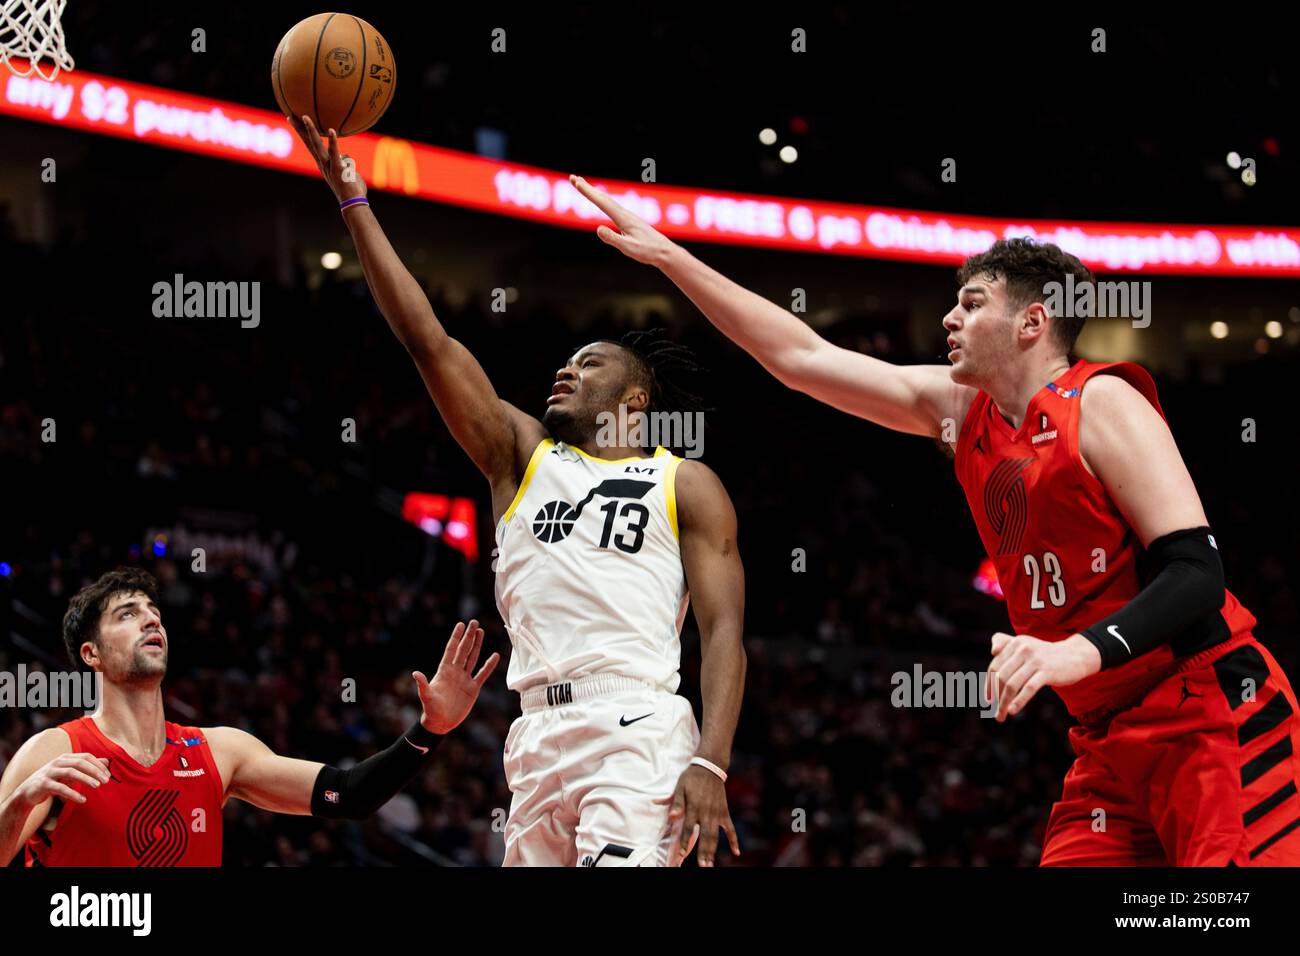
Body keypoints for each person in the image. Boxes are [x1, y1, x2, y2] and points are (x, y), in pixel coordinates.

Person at [571, 175, 1300, 866]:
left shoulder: (1105, 404)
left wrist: (1077, 651)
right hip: (1105, 739)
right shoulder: (958, 412)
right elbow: (798, 356)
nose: (949, 317)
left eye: (972, 303)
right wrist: (671, 255)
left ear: (1032, 322)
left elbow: (1199, 573)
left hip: (1210, 710)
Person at [287, 117, 747, 867]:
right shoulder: (520, 457)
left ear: (635, 401)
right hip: (532, 734)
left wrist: (711, 761)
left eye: (589, 364)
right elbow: (427, 339)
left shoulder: (684, 481)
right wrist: (352, 201)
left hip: (637, 722)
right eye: (565, 362)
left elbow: (723, 629)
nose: (565, 372)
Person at [0, 567, 498, 866]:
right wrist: (20, 803)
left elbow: (348, 794)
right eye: (128, 613)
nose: (152, 618)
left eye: (153, 610)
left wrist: (429, 731)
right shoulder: (56, 752)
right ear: (92, 655)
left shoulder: (220, 751)